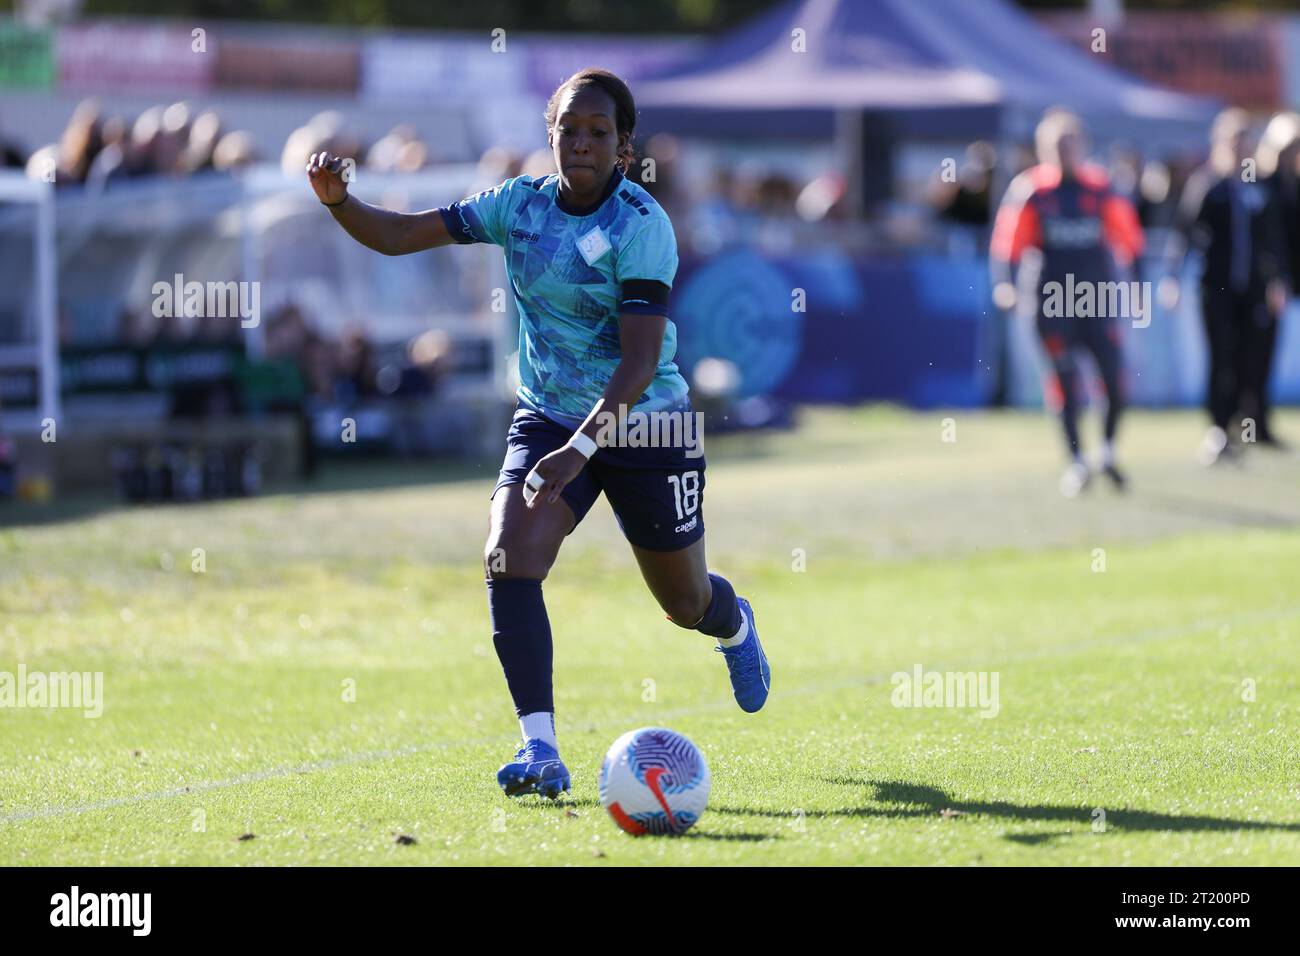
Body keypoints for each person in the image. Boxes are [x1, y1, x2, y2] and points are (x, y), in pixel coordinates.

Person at [306, 67, 770, 800]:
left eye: (597, 133)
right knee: (508, 555)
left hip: (645, 423)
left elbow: (642, 361)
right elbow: (398, 235)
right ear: (549, 136)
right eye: (568, 130)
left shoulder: (642, 225)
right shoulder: (515, 206)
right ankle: (540, 749)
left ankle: (736, 625)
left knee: (684, 605)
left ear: (623, 149)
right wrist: (340, 204)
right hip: (549, 413)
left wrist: (582, 449)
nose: (580, 143)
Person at [991, 109, 1144, 496]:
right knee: (1064, 382)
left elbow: (1130, 240)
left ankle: (1107, 452)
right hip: (1050, 301)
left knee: (1113, 377)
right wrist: (1005, 285)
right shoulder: (1032, 191)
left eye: (1069, 144)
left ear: (1083, 146)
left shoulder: (1100, 189)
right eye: (1055, 146)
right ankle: (1077, 462)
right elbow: (1007, 245)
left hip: (1096, 298)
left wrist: (1138, 289)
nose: (1063, 153)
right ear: (1043, 150)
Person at [1161, 108, 1289, 463]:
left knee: (1252, 360)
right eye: (1233, 143)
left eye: (1244, 143)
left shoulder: (1257, 188)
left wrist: (1277, 280)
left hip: (1252, 291)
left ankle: (1250, 429)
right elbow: (1182, 234)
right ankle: (1218, 430)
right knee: (1221, 359)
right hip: (1216, 291)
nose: (1239, 151)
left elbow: (1272, 240)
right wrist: (1171, 278)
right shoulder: (1208, 185)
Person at [1251, 111, 1300, 449]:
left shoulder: (1292, 184)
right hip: (1270, 283)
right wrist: (1275, 279)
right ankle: (1255, 423)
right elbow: (1266, 241)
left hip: (1290, 280)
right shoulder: (1262, 184)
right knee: (1259, 354)